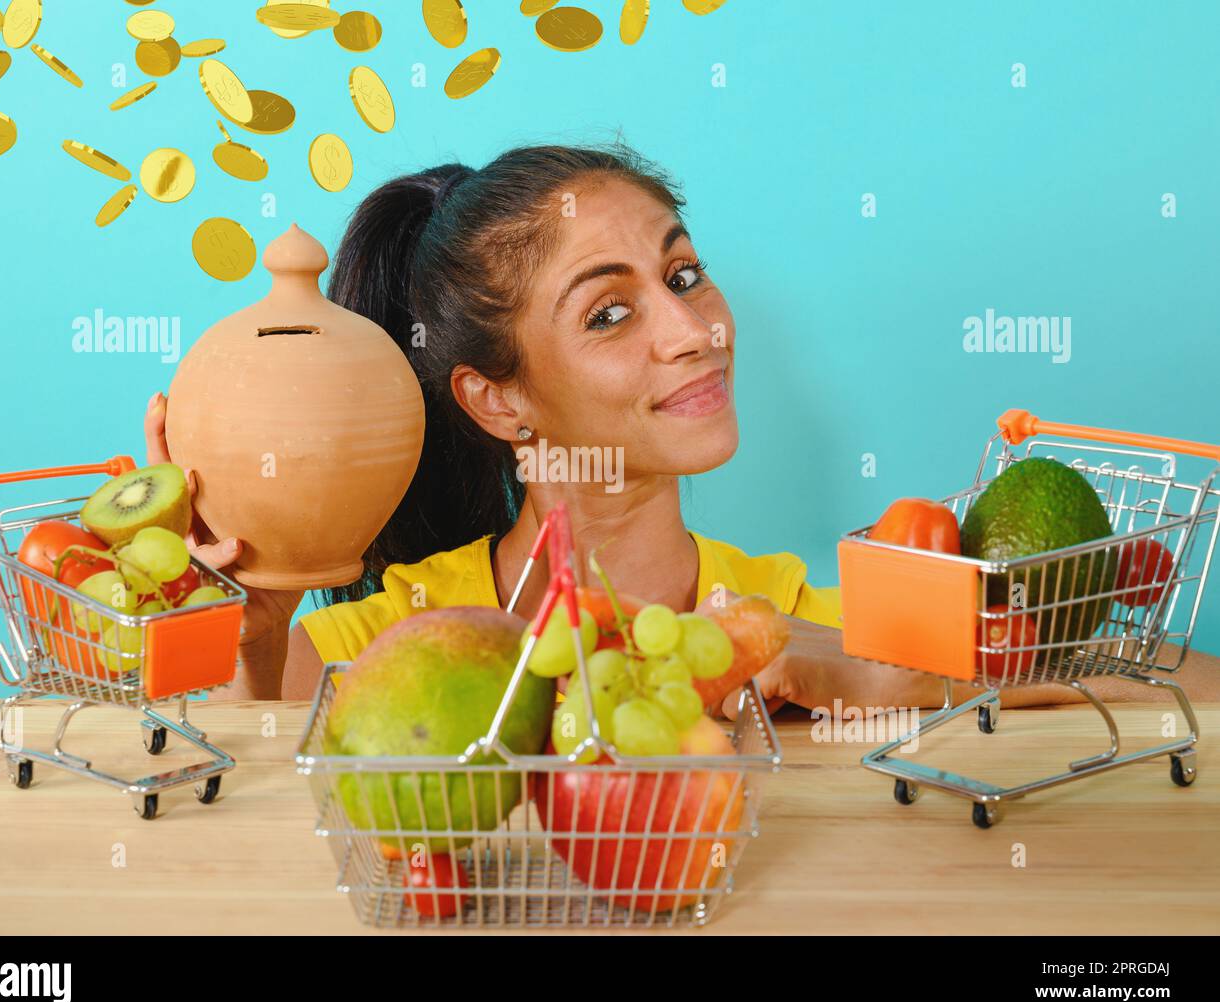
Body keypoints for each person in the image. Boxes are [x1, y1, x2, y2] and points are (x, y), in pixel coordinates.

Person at [144, 141, 1201, 712]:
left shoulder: (787, 611)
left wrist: (893, 671)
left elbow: (1144, 684)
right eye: (610, 312)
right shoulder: (386, 635)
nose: (694, 330)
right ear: (496, 401)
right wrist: (255, 610)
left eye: (683, 275)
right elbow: (260, 776)